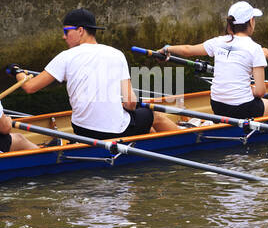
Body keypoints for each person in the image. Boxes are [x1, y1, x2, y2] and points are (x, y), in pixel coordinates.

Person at [17, 8, 180, 140]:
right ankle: (183, 141)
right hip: (115, 132)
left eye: (66, 31)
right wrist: (125, 105)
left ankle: (150, 138)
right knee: (153, 115)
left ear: (80, 31)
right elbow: (130, 103)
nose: (63, 36)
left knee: (139, 120)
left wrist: (17, 72)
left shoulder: (65, 57)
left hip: (82, 132)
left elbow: (29, 86)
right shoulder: (117, 54)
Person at [154, 1, 268, 119]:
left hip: (217, 106)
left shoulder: (218, 42)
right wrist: (247, 89)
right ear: (251, 22)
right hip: (243, 109)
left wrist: (167, 48)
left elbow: (187, 50)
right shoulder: (255, 48)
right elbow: (260, 92)